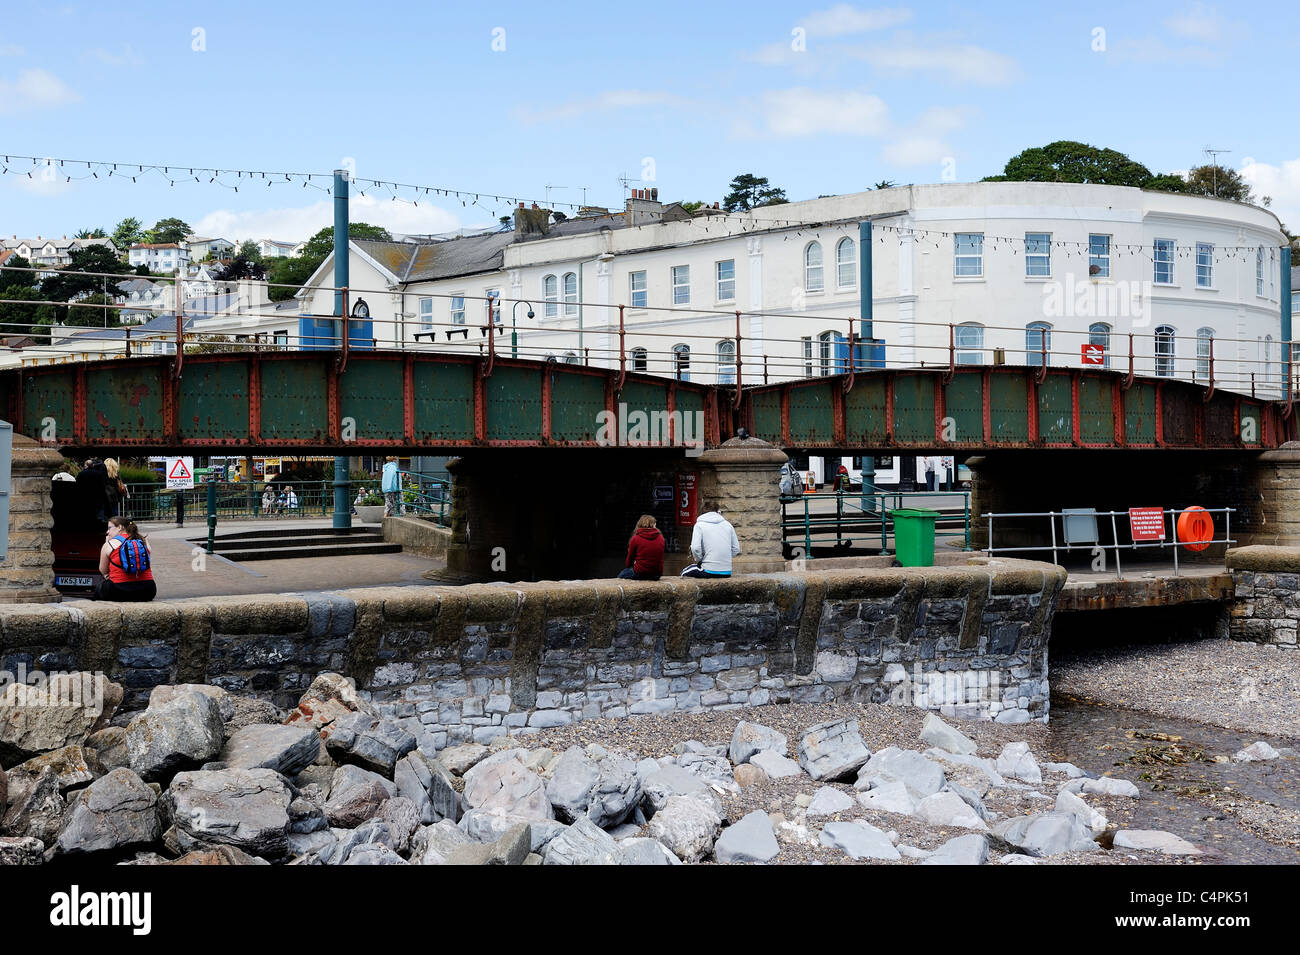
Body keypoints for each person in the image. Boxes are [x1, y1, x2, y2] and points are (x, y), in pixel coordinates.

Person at [94, 516, 156, 602]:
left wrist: (106, 543)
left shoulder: (110, 544)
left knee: (99, 588)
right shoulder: (143, 540)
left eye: (109, 528)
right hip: (148, 590)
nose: (107, 532)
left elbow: (103, 570)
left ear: (119, 527)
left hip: (119, 591)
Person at [680, 502, 741, 578]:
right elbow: (736, 549)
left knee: (684, 572)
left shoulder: (699, 525)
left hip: (708, 570)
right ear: (717, 511)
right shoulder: (728, 525)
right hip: (726, 572)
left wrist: (700, 560)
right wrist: (723, 558)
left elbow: (695, 548)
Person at [618, 515, 665, 580]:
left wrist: (630, 566)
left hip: (640, 573)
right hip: (656, 574)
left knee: (622, 575)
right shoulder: (661, 538)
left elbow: (629, 560)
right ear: (653, 525)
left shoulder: (635, 538)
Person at [76, 457, 109, 521]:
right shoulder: (98, 474)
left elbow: (77, 486)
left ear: (86, 465)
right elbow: (102, 486)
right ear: (93, 465)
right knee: (99, 516)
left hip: (85, 498)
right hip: (97, 498)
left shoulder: (81, 474)